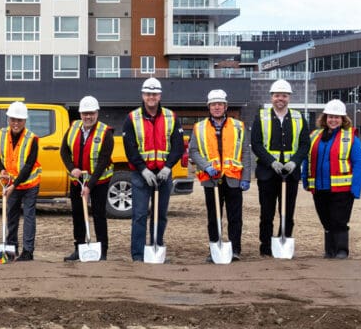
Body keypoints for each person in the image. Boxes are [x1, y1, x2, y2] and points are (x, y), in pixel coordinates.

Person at [122, 77, 185, 262]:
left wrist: (167, 167)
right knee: (140, 215)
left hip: (164, 174)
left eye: (154, 93)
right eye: (148, 93)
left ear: (160, 95)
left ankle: (157, 245)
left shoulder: (171, 117)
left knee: (160, 215)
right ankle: (138, 254)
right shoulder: (132, 118)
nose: (151, 97)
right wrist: (143, 169)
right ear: (143, 95)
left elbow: (178, 146)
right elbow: (130, 147)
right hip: (142, 175)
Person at [189, 89, 250, 262]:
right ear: (209, 107)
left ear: (226, 106)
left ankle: (235, 249)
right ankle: (215, 247)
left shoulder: (238, 126)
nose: (217, 107)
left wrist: (245, 178)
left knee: (235, 217)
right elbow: (193, 151)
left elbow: (245, 151)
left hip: (233, 178)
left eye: (220, 104)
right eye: (213, 104)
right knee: (213, 216)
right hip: (211, 179)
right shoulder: (199, 127)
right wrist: (206, 166)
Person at [251, 79, 310, 257]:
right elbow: (256, 143)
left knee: (287, 211)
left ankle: (284, 238)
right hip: (268, 173)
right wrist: (271, 162)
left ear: (289, 97)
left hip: (290, 174)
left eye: (284, 95)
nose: (280, 99)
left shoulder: (299, 118)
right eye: (277, 95)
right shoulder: (261, 116)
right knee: (266, 213)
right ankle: (266, 246)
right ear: (271, 97)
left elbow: (305, 144)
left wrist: (294, 162)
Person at [302, 99, 361, 259]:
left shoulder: (351, 137)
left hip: (342, 189)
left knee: (339, 221)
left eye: (337, 117)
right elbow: (306, 159)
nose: (333, 120)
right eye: (330, 116)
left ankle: (341, 250)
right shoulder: (314, 136)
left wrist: (355, 190)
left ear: (343, 119)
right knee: (326, 220)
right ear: (325, 118)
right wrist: (305, 180)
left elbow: (359, 164)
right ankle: (329, 250)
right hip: (319, 187)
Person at [61, 95, 114, 261]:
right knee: (77, 214)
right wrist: (72, 168)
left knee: (99, 214)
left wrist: (90, 185)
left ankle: (102, 250)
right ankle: (79, 247)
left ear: (97, 113)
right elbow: (64, 151)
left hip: (99, 180)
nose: (88, 117)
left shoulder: (106, 133)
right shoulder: (73, 127)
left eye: (91, 113)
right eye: (85, 113)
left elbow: (104, 161)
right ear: (80, 114)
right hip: (77, 180)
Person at [0, 101, 41, 262]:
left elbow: (28, 165)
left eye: (19, 120)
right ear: (8, 119)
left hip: (29, 183)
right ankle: (11, 247)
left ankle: (27, 251)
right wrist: (1, 169)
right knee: (11, 215)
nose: (16, 123)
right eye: (13, 119)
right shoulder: (0, 134)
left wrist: (14, 185)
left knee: (28, 216)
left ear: (25, 121)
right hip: (11, 182)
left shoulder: (32, 139)